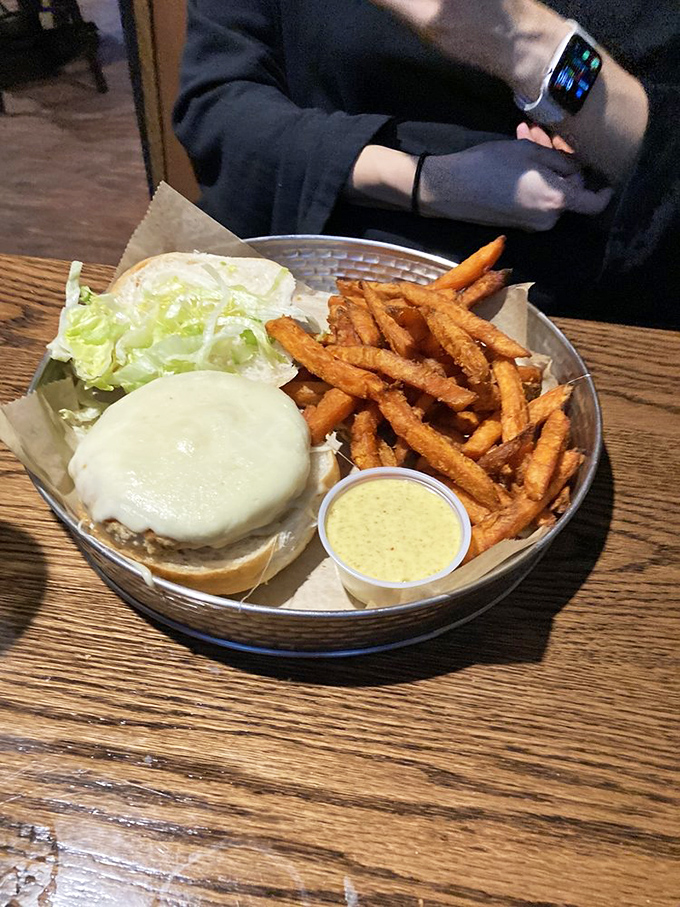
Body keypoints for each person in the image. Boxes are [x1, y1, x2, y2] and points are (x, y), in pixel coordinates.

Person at [174, 0, 679, 327]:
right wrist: (426, 182)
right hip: (298, 276)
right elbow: (217, 108)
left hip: (572, 313)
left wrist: (526, 42)